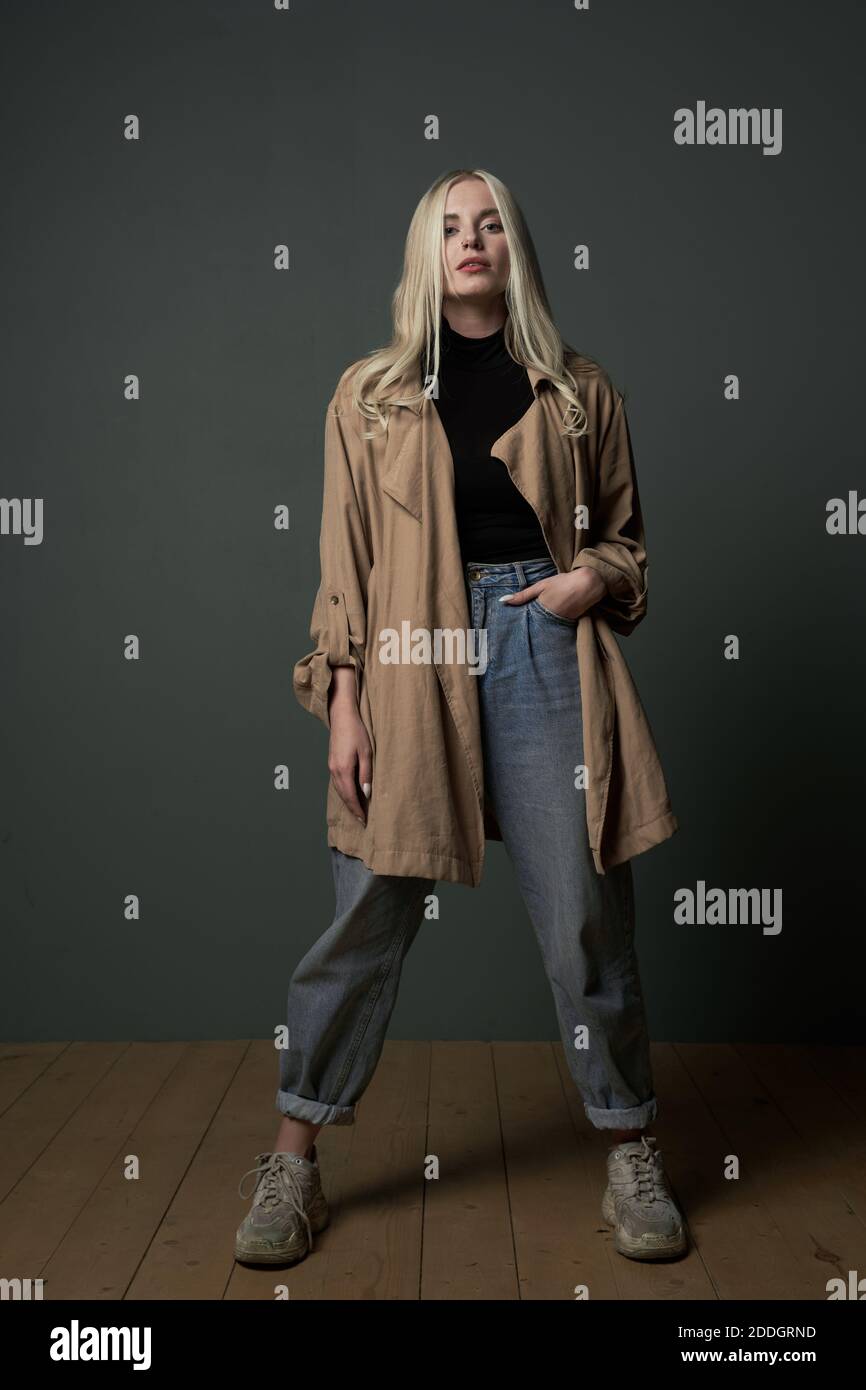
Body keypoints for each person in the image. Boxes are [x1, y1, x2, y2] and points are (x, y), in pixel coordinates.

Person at [235, 168, 686, 1269]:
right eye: (448, 226)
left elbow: (626, 540)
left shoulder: (578, 390)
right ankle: (293, 1160)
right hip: (404, 656)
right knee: (363, 915)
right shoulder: (368, 395)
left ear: (514, 247)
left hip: (539, 638)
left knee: (582, 911)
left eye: (488, 223)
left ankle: (629, 1147)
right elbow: (343, 567)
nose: (470, 240)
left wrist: (588, 580)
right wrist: (343, 702)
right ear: (423, 254)